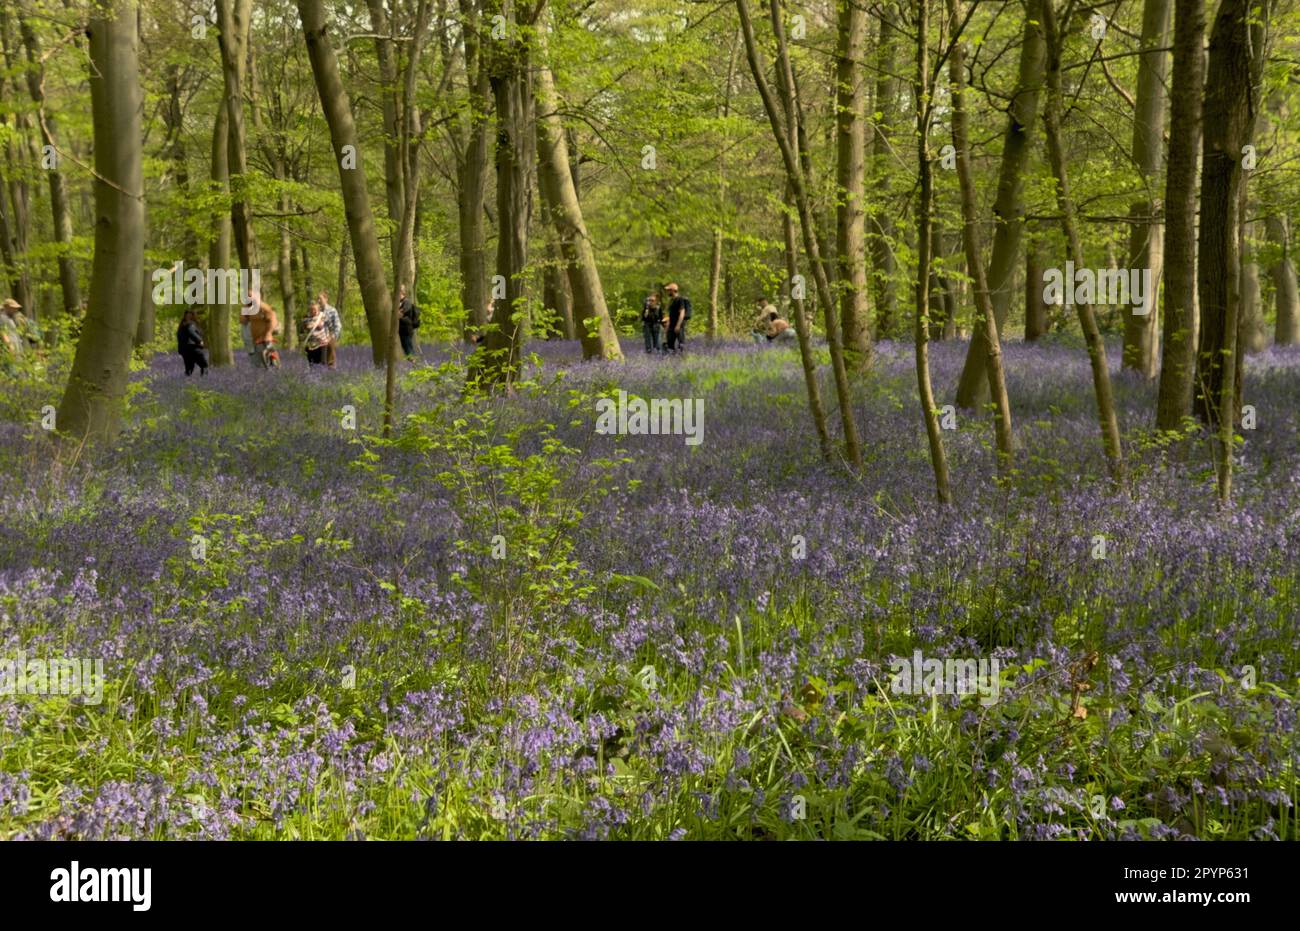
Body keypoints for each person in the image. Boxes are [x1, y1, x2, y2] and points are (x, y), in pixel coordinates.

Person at [248, 292, 280, 368]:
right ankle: (266, 369)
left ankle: (276, 367)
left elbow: (273, 320)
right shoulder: (251, 308)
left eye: (250, 296)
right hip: (256, 338)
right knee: (259, 356)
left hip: (265, 336)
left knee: (268, 353)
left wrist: (268, 333)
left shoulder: (264, 307)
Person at [176, 309, 209, 376]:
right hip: (193, 348)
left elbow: (179, 337)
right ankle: (204, 382)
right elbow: (191, 332)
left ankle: (186, 384)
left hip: (184, 350)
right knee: (204, 365)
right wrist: (200, 341)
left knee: (189, 369)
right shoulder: (191, 324)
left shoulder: (182, 325)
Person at [664, 282, 691, 353]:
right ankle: (672, 359)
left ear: (673, 290)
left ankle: (682, 359)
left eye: (669, 290)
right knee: (669, 344)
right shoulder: (671, 301)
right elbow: (671, 314)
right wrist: (668, 325)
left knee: (681, 344)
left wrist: (678, 325)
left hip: (678, 325)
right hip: (671, 325)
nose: (668, 292)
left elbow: (682, 313)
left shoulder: (680, 299)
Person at [319, 290, 342, 368]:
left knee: (330, 360)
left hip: (329, 335)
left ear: (326, 299)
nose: (318, 301)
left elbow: (338, 325)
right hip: (319, 337)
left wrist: (333, 337)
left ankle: (331, 374)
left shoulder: (332, 310)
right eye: (317, 299)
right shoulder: (316, 311)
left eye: (320, 299)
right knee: (319, 360)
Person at [302, 301, 329, 366]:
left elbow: (320, 326)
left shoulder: (322, 316)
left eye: (314, 309)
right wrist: (312, 324)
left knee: (322, 363)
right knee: (312, 363)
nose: (313, 311)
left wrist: (313, 324)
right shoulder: (306, 318)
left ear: (318, 310)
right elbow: (306, 327)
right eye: (311, 309)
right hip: (311, 345)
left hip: (321, 343)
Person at [396, 285, 418, 358]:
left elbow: (401, 313)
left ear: (402, 292)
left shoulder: (407, 302)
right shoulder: (398, 303)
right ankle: (411, 364)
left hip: (406, 329)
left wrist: (398, 313)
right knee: (404, 348)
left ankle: (414, 364)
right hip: (401, 329)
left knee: (408, 348)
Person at [0, 298, 23, 370]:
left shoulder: (10, 318)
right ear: (6, 307)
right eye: (13, 308)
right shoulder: (2, 318)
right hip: (9, 352)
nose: (15, 310)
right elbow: (2, 333)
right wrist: (10, 347)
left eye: (16, 308)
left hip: (16, 350)